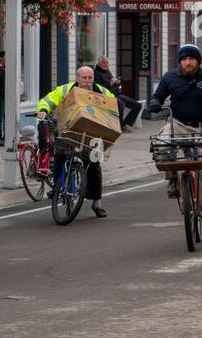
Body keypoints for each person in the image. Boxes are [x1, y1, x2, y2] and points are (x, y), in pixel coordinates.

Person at [147, 44, 202, 238]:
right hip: (177, 124)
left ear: (198, 61)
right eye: (184, 59)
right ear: (179, 61)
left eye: (192, 59)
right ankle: (172, 179)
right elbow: (156, 97)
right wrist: (154, 104)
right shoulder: (169, 77)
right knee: (161, 144)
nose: (188, 62)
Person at [37, 66, 115, 218]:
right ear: (78, 78)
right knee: (60, 155)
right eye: (84, 78)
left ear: (93, 78)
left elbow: (114, 105)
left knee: (94, 166)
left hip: (93, 134)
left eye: (89, 78)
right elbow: (48, 100)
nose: (87, 81)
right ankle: (58, 186)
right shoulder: (66, 89)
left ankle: (97, 202)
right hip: (69, 130)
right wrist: (44, 110)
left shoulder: (102, 92)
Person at [93, 56, 141, 132]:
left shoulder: (107, 71)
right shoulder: (96, 73)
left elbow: (112, 84)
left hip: (116, 94)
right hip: (106, 96)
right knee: (121, 105)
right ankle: (118, 127)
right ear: (99, 64)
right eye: (104, 63)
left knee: (137, 105)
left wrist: (116, 83)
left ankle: (124, 124)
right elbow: (97, 88)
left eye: (107, 62)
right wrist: (110, 83)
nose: (106, 64)